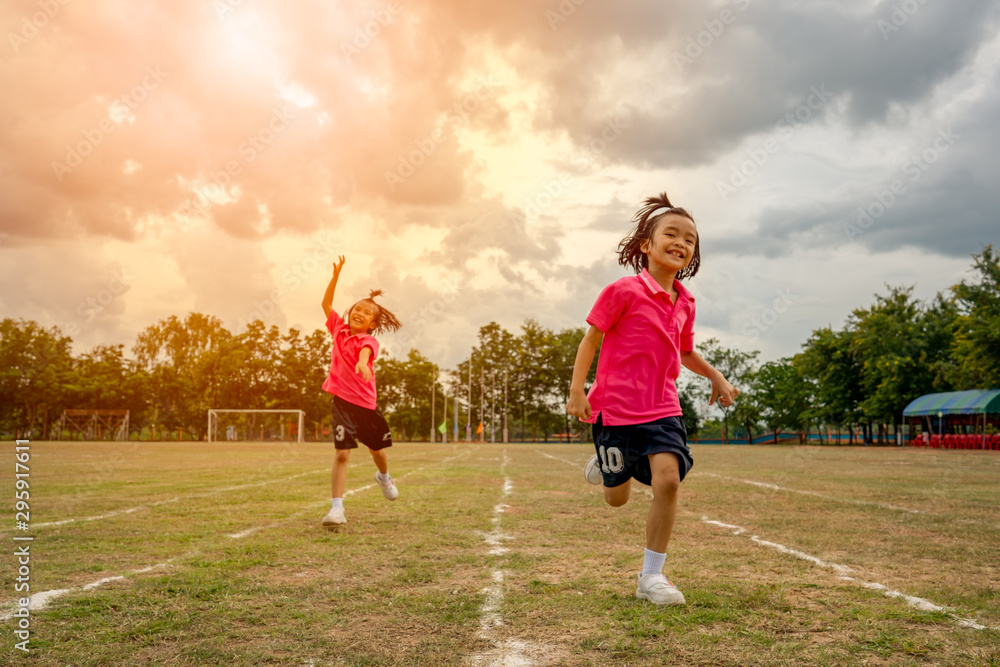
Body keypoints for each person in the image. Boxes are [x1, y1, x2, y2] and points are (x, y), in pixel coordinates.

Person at [566, 192, 739, 606]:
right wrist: (577, 391)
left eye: (691, 240)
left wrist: (715, 375)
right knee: (616, 498)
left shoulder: (686, 303)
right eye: (672, 234)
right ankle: (609, 466)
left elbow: (683, 351)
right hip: (614, 410)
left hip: (663, 407)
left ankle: (652, 576)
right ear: (647, 244)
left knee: (669, 480)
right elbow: (591, 339)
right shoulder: (622, 291)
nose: (681, 243)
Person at [320, 255, 402, 527]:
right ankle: (336, 510)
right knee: (342, 453)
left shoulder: (368, 341)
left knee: (377, 451)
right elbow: (326, 304)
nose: (360, 313)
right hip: (342, 403)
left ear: (373, 324)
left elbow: (366, 353)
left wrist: (362, 362)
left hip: (366, 406)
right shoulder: (338, 330)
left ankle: (384, 477)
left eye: (367, 313)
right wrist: (336, 276)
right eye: (357, 308)